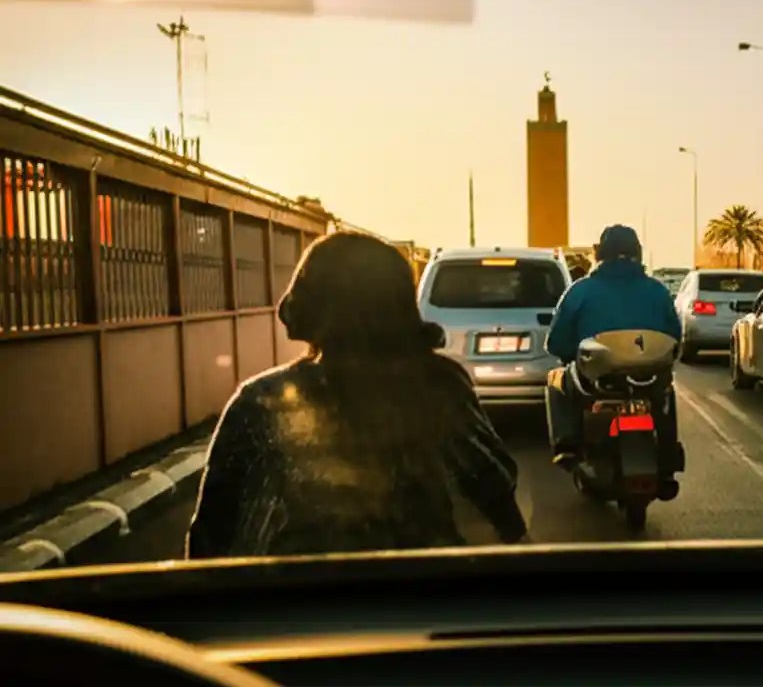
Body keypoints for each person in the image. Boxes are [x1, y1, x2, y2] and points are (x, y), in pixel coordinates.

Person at [186, 233, 528, 559]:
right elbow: (496, 496)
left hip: (301, 607)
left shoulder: (263, 402)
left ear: (313, 303)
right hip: (433, 596)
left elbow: (212, 539)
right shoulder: (442, 382)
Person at [544, 225, 681, 469]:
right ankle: (670, 452)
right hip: (648, 379)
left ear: (600, 254)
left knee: (557, 380)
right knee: (666, 393)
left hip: (598, 381)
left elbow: (557, 340)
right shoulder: (658, 291)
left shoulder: (580, 291)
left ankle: (567, 446)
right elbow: (675, 336)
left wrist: (569, 355)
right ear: (637, 252)